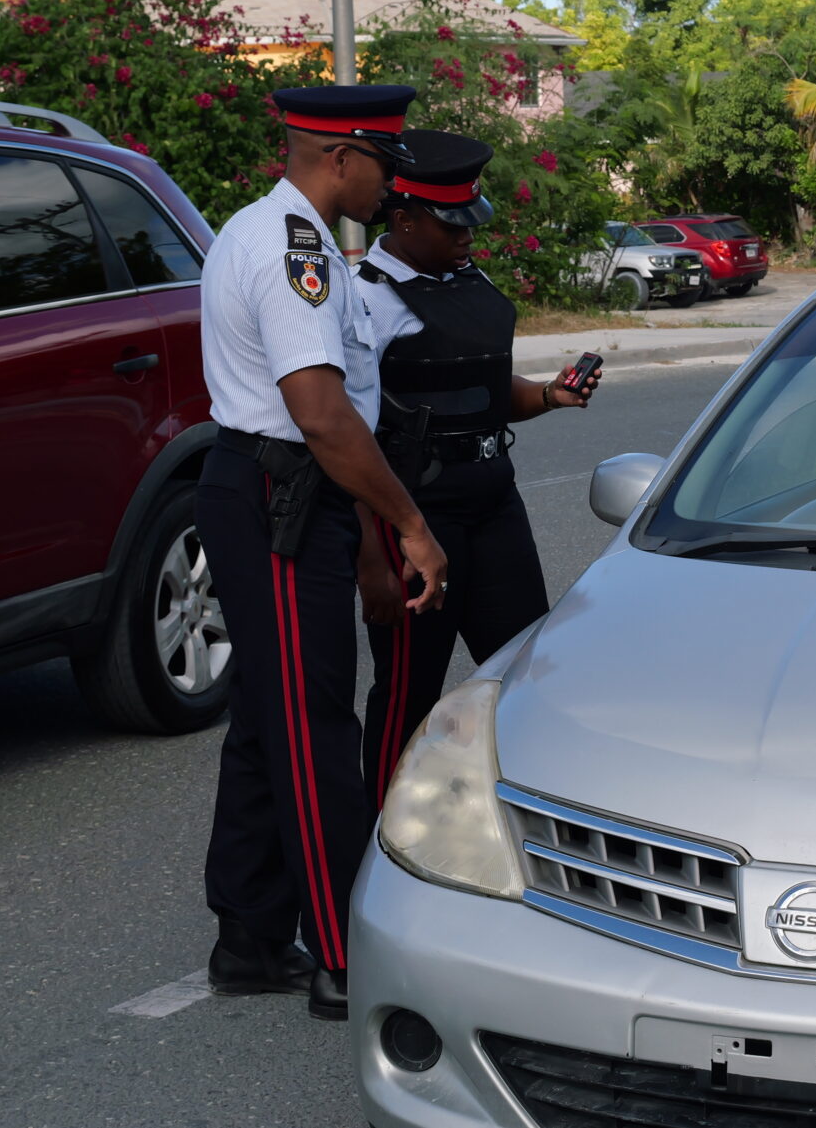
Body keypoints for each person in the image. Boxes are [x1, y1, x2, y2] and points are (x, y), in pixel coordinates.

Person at [196, 84, 449, 1024]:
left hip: (286, 493)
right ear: (339, 157)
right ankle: (343, 955)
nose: (392, 184)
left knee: (271, 719)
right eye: (384, 164)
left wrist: (375, 537)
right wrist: (410, 524)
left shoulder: (306, 244)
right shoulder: (294, 249)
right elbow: (320, 410)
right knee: (313, 728)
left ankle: (251, 938)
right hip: (278, 492)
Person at [356, 129, 600, 804]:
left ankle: (532, 818)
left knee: (527, 674)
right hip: (419, 516)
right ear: (403, 219)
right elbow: (347, 432)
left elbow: (487, 393)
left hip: (494, 502)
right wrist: (373, 554)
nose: (467, 236)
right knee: (409, 691)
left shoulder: (465, 277)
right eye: (449, 223)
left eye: (471, 220)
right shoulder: (366, 299)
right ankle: (378, 832)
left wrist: (549, 394)